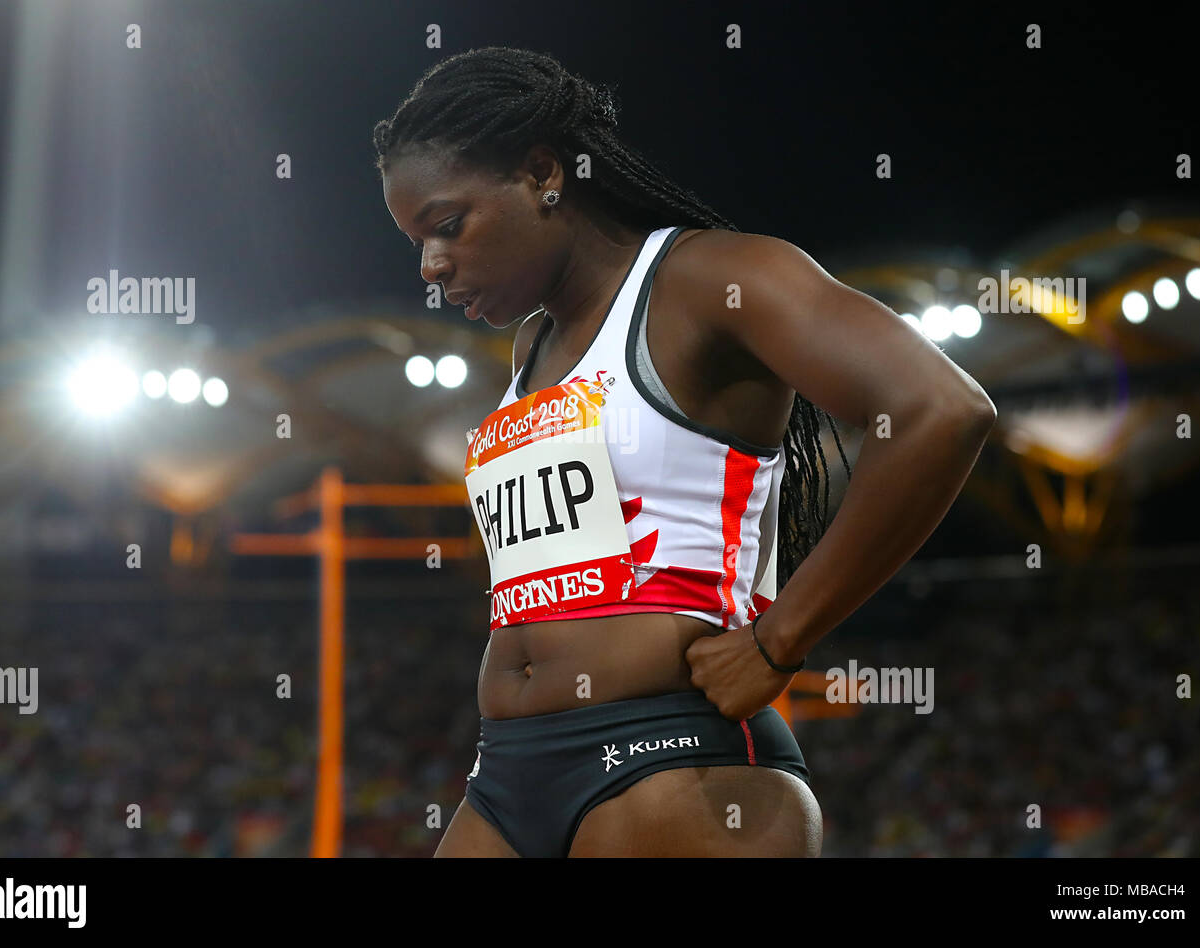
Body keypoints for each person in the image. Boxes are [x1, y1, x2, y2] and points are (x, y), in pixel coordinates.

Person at [374, 47, 996, 857]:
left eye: (447, 226)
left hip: (671, 757)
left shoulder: (711, 280)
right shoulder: (533, 345)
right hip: (506, 773)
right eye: (415, 243)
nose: (432, 266)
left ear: (541, 173)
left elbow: (938, 410)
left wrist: (780, 640)